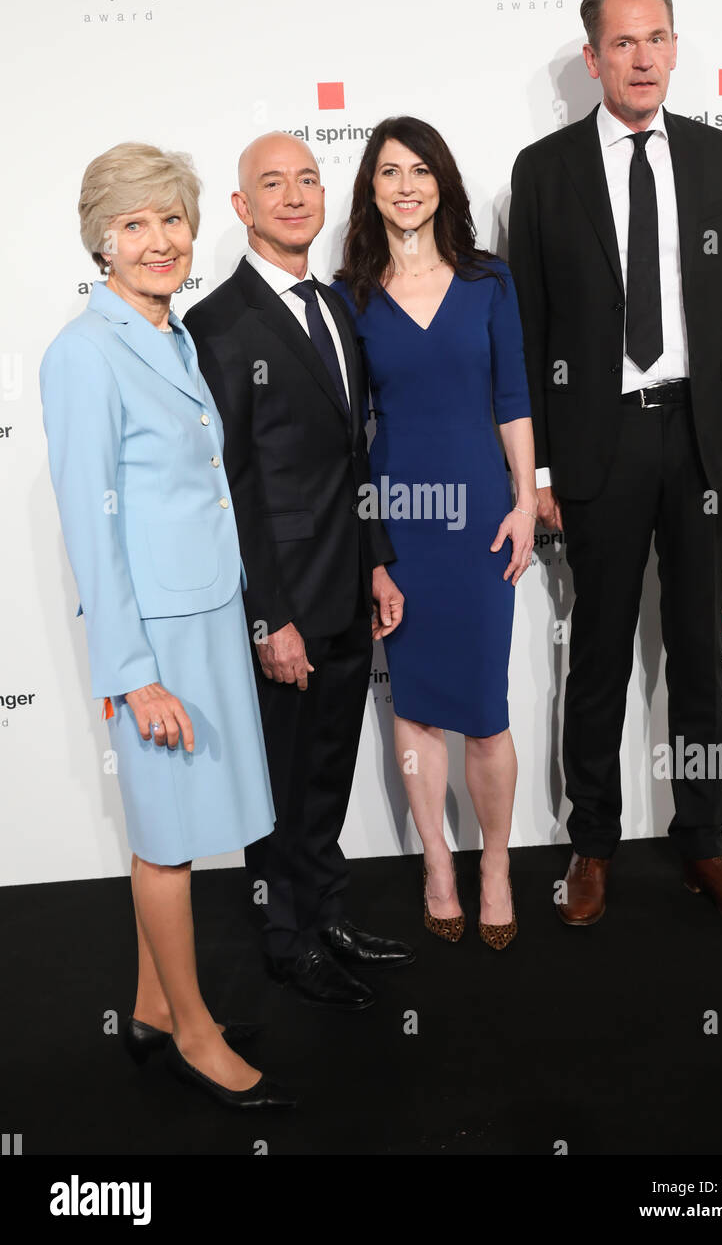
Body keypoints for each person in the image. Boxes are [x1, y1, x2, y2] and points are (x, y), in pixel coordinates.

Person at [508, 0, 722, 928]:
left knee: (699, 655)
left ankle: (706, 842)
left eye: (656, 37)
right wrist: (536, 469)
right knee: (597, 655)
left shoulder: (719, 159)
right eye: (622, 42)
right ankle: (592, 844)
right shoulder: (543, 173)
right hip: (597, 443)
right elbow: (530, 331)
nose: (642, 57)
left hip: (703, 441)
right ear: (592, 58)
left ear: (675, 46)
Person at [39, 142, 293, 1111]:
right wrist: (132, 670)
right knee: (166, 843)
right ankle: (193, 1033)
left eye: (171, 219)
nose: (158, 241)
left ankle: (150, 1006)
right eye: (134, 223)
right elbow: (91, 529)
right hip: (154, 638)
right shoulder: (83, 352)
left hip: (207, 616)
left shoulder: (173, 334)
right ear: (101, 239)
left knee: (178, 831)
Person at [185, 132, 413, 1010]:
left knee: (327, 770)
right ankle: (287, 940)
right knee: (280, 782)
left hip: (349, 588)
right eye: (271, 184)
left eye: (308, 180)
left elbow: (354, 457)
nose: (294, 196)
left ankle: (329, 916)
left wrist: (379, 562)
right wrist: (268, 617)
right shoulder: (218, 324)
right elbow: (231, 485)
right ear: (241, 209)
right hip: (282, 604)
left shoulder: (339, 308)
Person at [333, 117, 536, 950]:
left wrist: (525, 501)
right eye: (390, 172)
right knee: (412, 709)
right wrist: (375, 554)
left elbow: (515, 398)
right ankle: (436, 864)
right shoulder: (351, 295)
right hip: (403, 522)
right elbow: (350, 435)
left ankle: (494, 863)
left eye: (421, 170)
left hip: (483, 518)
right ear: (371, 189)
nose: (407, 185)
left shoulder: (490, 280)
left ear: (443, 181)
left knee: (486, 713)